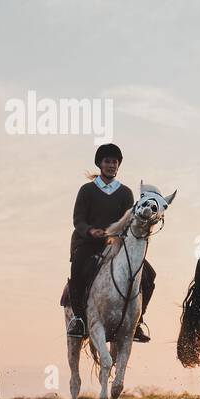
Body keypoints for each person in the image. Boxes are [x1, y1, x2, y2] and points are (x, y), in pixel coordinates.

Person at [66, 143, 156, 341]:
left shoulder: (125, 193)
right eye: (107, 161)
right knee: (77, 269)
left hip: (116, 246)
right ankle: (79, 319)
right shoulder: (87, 190)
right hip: (89, 243)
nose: (111, 165)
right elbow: (78, 219)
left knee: (149, 274)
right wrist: (90, 230)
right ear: (100, 164)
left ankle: (138, 321)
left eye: (114, 162)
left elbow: (129, 222)